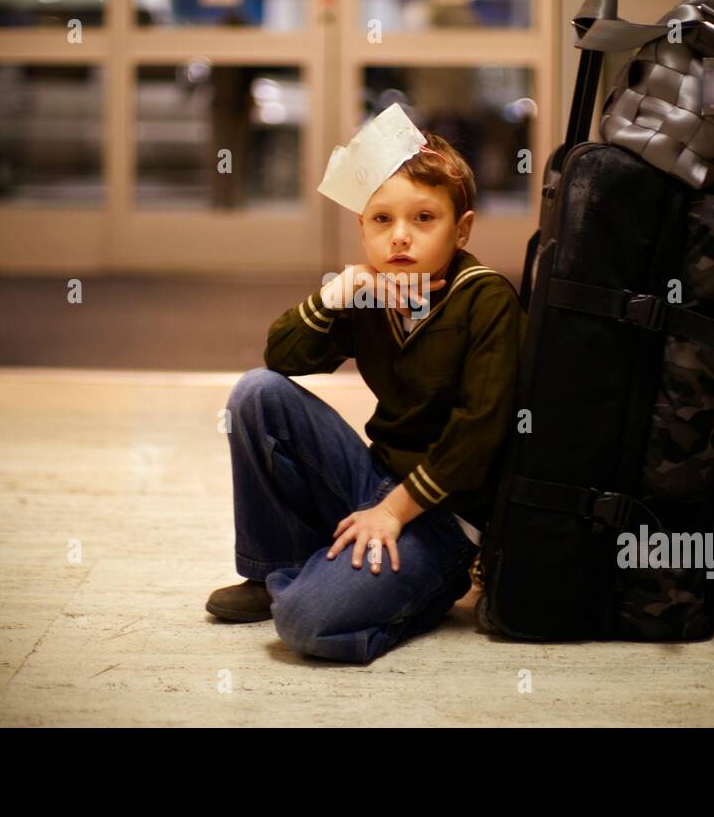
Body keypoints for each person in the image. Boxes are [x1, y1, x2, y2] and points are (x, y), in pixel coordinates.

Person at [205, 130, 525, 663]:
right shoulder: (373, 291)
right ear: (363, 228)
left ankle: (410, 593)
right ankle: (273, 572)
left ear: (461, 229)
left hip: (443, 518)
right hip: (371, 482)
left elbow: (480, 434)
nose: (400, 237)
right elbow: (283, 358)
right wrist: (340, 290)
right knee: (256, 393)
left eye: (424, 219)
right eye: (382, 220)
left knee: (304, 623)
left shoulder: (485, 299)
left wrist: (395, 513)